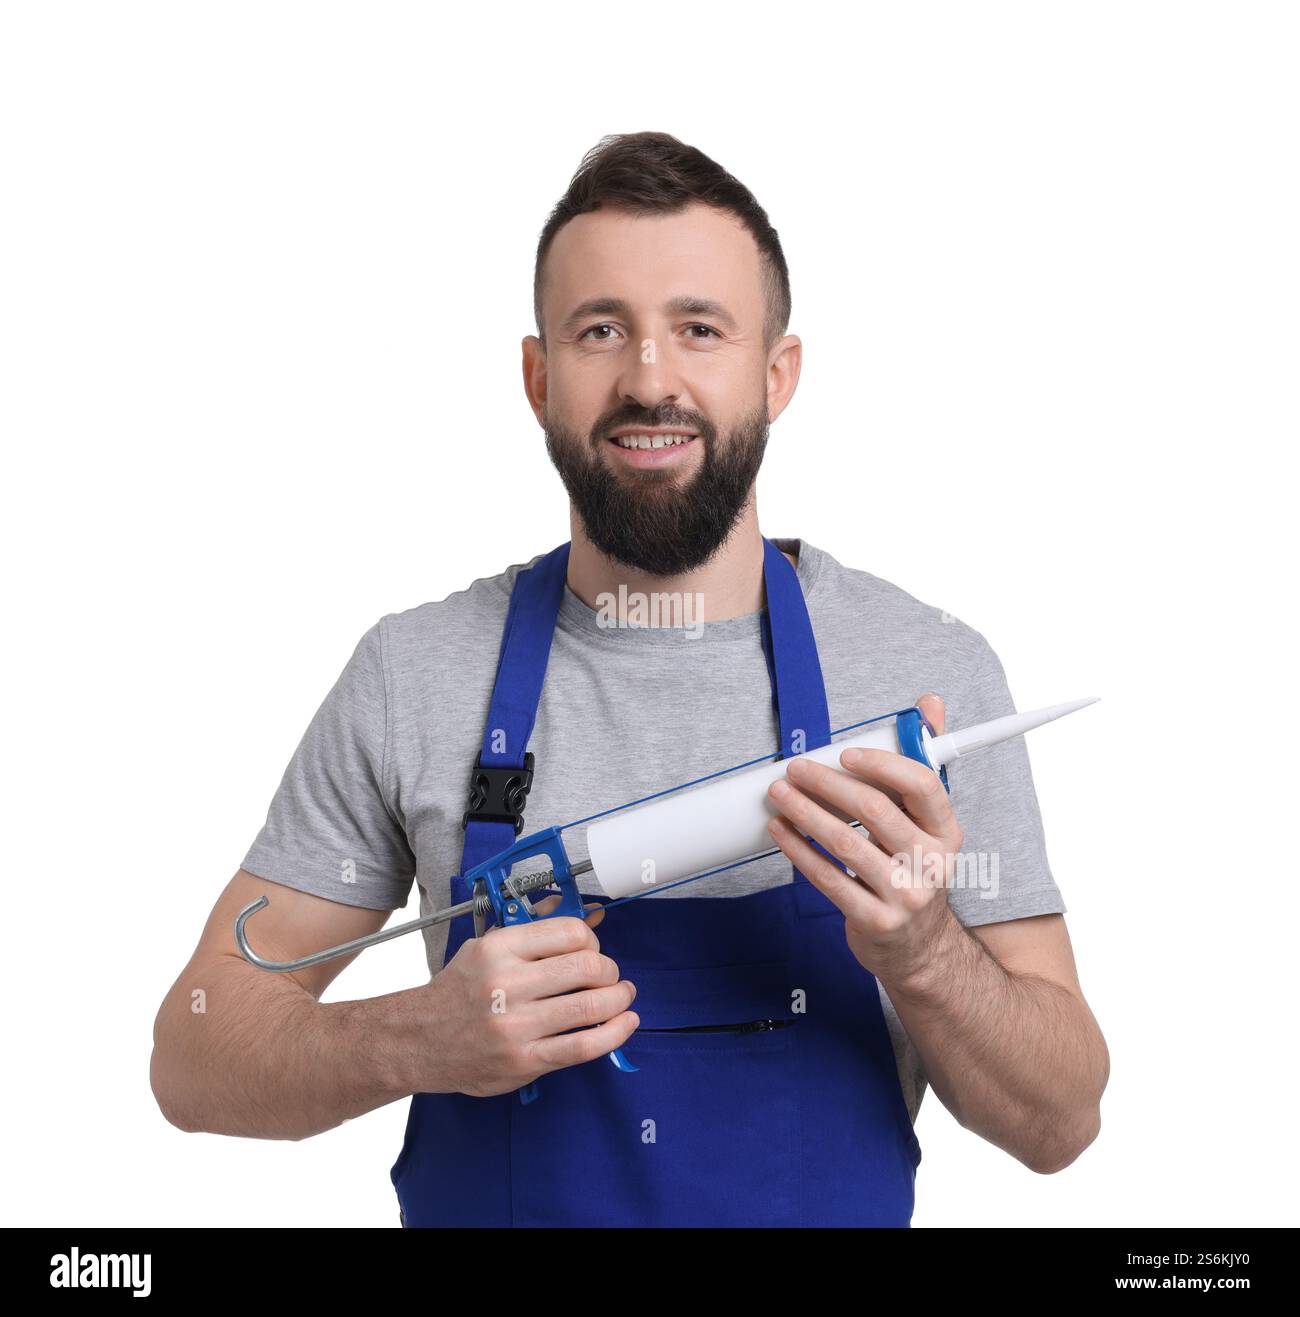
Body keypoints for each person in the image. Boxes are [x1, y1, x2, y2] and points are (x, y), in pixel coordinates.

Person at [150, 131, 1109, 1228]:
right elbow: (194, 1055)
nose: (651, 379)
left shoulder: (925, 673)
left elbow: (1060, 1122)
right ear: (538, 375)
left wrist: (925, 951)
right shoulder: (414, 673)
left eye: (700, 330)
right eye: (601, 330)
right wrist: (416, 1037)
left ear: (776, 374)